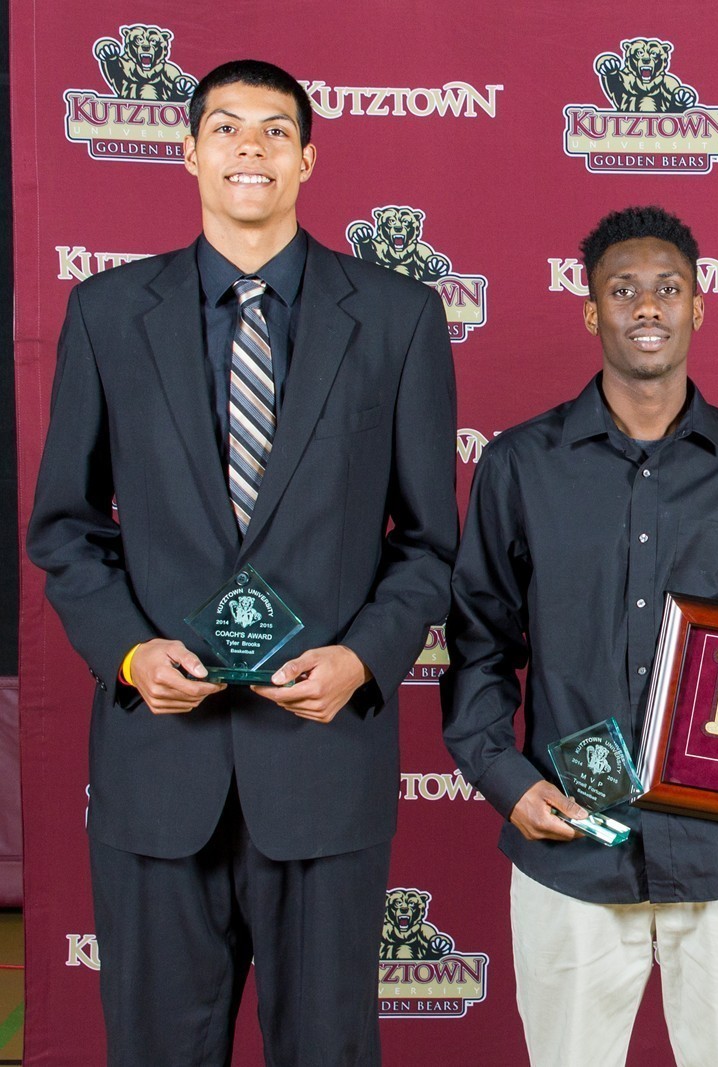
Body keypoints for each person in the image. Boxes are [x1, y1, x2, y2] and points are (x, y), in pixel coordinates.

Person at [26, 59, 458, 1065]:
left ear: (308, 157)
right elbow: (64, 527)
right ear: (188, 152)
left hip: (322, 767)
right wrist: (130, 652)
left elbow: (433, 542)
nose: (250, 147)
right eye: (226, 127)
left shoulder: (396, 318)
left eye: (274, 129)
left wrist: (362, 657)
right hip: (156, 772)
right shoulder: (106, 313)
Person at [441, 205, 718, 1067]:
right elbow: (478, 642)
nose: (646, 306)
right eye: (623, 290)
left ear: (698, 305)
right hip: (572, 848)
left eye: (667, 288)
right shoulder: (519, 464)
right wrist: (507, 780)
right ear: (590, 311)